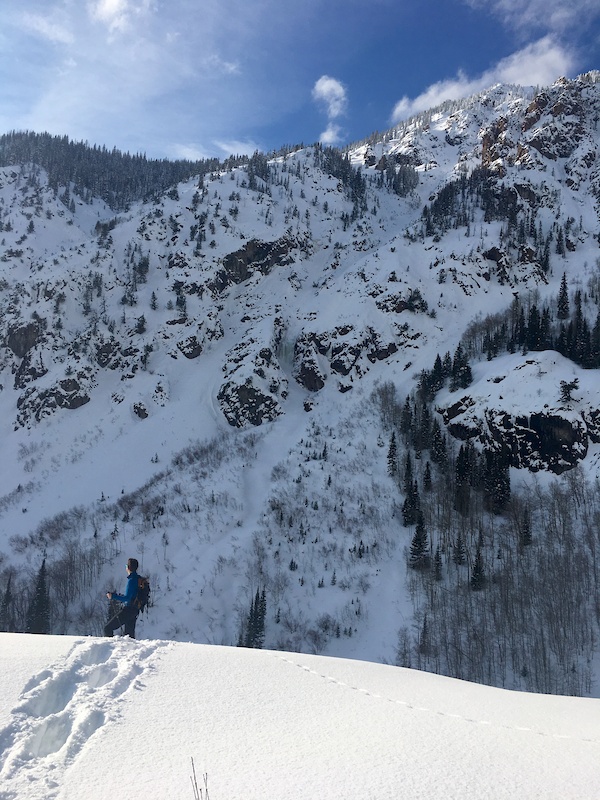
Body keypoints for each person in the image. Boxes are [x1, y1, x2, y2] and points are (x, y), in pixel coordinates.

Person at [104, 557, 141, 639]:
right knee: (129, 636)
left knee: (107, 628)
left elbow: (127, 598)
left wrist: (113, 596)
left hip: (128, 609)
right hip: (135, 610)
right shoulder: (138, 579)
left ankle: (109, 649)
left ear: (128, 568)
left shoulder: (131, 580)